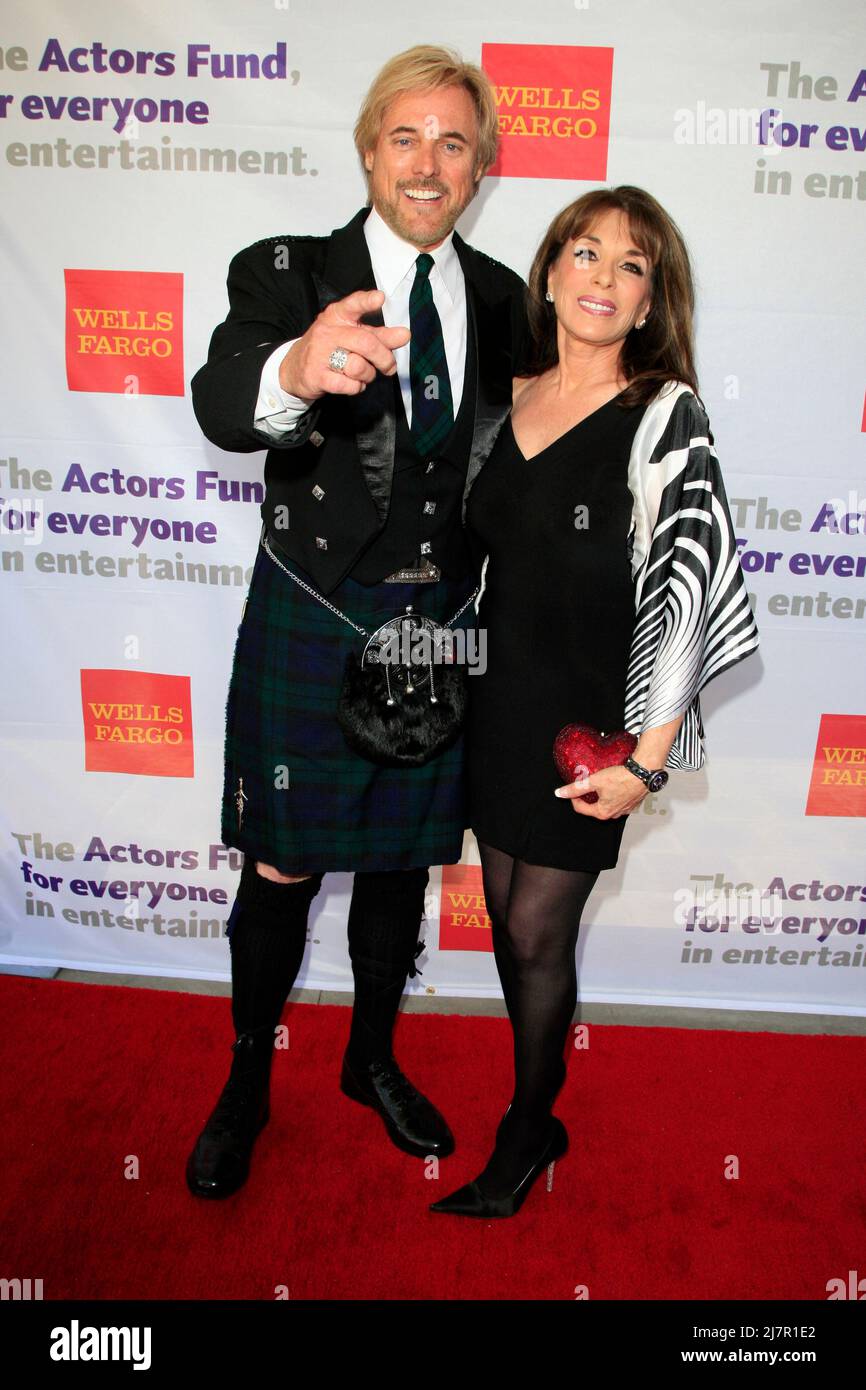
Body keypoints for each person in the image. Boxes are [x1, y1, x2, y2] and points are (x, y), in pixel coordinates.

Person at [186, 45, 530, 1198]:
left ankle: (368, 1059)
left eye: (452, 142)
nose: (427, 164)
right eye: (404, 137)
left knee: (397, 867)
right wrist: (297, 363)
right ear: (367, 149)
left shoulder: (504, 301)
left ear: (481, 164)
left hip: (439, 623)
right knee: (280, 865)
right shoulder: (286, 271)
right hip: (313, 614)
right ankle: (246, 1080)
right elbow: (224, 400)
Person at [430, 186, 761, 1218]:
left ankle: (527, 1129)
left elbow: (687, 580)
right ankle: (537, 1108)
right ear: (547, 270)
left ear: (652, 299)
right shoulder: (502, 401)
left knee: (535, 930)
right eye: (584, 251)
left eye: (631, 264)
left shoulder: (663, 414)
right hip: (495, 706)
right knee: (507, 927)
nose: (602, 277)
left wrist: (645, 763)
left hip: (591, 733)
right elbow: (466, 564)